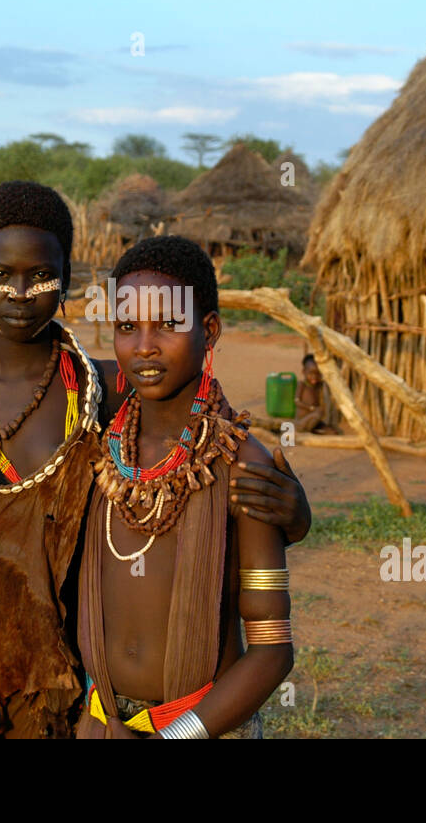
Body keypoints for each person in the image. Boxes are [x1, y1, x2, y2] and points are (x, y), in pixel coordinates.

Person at [0, 183, 311, 738]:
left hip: (70, 691)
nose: (19, 292)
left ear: (67, 278)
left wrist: (295, 517)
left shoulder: (104, 390)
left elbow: (194, 440)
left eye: (40, 275)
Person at [77, 236, 297, 739]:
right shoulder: (102, 448)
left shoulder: (241, 464)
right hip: (102, 722)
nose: (144, 345)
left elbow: (271, 650)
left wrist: (175, 737)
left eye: (169, 324)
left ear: (210, 330)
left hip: (204, 726)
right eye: (127, 326)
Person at [294, 352, 334, 433]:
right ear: (304, 372)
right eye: (311, 373)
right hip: (302, 421)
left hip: (314, 417)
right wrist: (311, 408)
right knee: (318, 413)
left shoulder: (319, 385)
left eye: (317, 374)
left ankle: (316, 429)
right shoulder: (302, 385)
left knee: (332, 431)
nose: (314, 377)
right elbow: (296, 401)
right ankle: (309, 430)